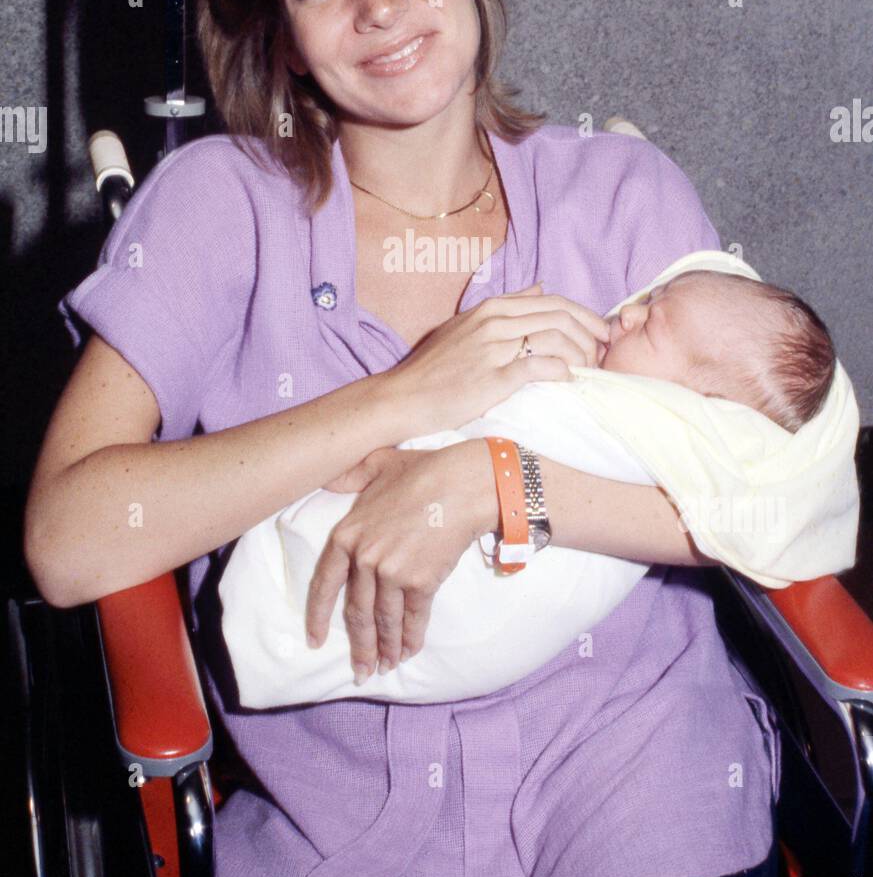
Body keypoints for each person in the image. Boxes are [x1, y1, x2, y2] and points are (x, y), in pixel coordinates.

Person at [25, 0, 785, 877]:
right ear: (278, 33)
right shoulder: (215, 209)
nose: (378, 5)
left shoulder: (621, 194)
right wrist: (400, 397)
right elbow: (68, 539)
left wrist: (492, 486)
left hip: (639, 778)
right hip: (344, 846)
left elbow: (770, 492)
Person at [219, 260, 849, 711]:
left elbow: (789, 510)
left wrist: (497, 481)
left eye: (652, 324)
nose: (627, 311)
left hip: (543, 664)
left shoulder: (655, 434)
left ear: (700, 409)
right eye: (648, 300)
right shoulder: (639, 363)